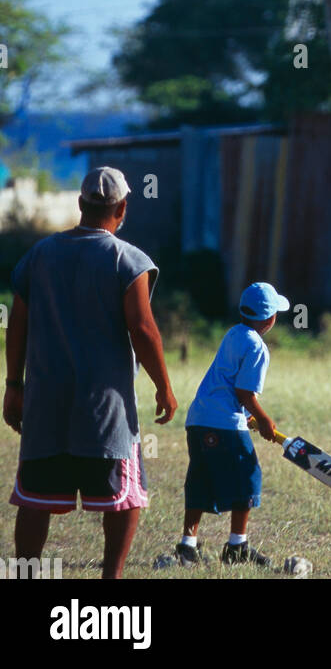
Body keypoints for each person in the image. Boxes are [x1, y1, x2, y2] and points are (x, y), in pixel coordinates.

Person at [3, 165, 177, 578]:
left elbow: (18, 324)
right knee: (126, 497)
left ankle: (26, 574)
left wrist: (13, 386)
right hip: (106, 413)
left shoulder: (39, 256)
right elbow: (143, 328)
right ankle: (110, 579)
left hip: (46, 406)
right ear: (123, 208)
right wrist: (164, 387)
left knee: (34, 498)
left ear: (80, 204)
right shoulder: (127, 260)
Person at [176, 281, 288, 568]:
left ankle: (187, 546)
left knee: (200, 479)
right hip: (224, 424)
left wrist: (246, 416)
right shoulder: (258, 347)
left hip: (198, 420)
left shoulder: (233, 334)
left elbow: (225, 383)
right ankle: (237, 546)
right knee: (248, 476)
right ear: (270, 319)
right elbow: (244, 392)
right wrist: (263, 419)